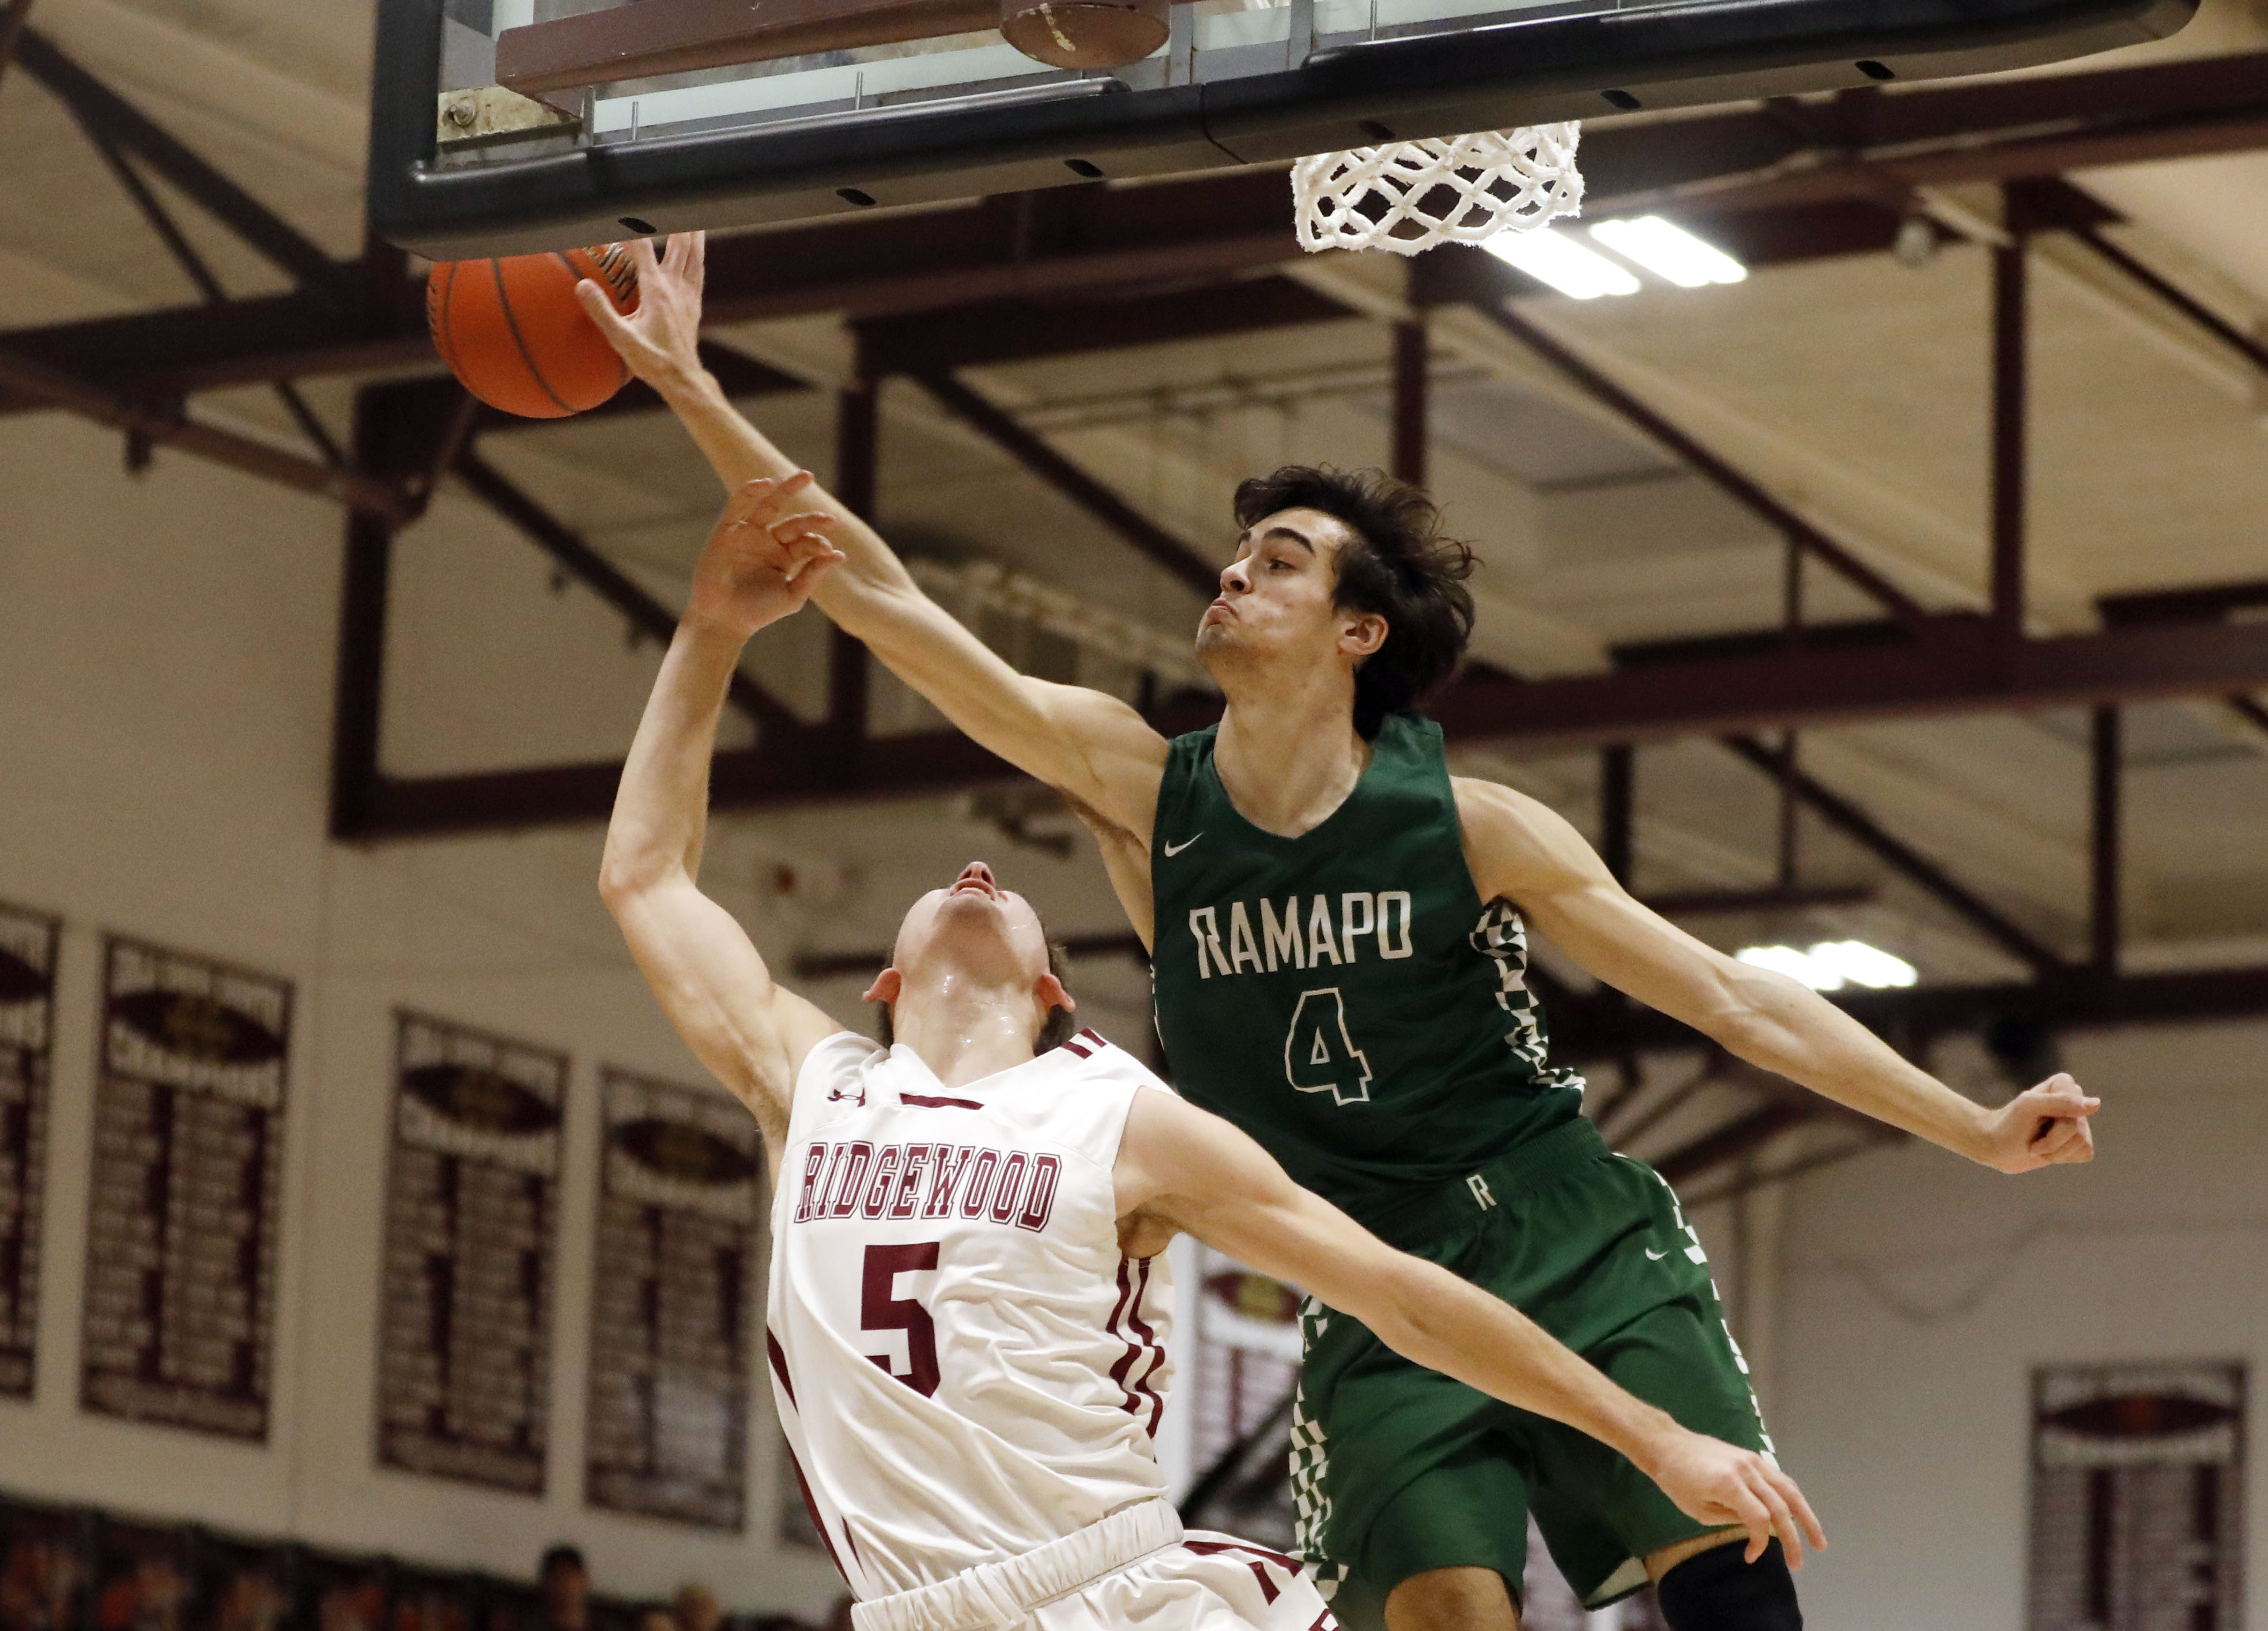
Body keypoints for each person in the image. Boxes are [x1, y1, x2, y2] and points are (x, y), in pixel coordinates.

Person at [578, 235, 2082, 1631]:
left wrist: (1970, 1124)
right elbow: (887, 599)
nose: (1235, 570)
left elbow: (1728, 1002)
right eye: (1242, 552)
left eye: (1282, 558)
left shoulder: (1472, 823)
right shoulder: (1136, 785)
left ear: (1361, 630)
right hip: (1366, 1257)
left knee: (1737, 1586)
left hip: (1567, 1226)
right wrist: (697, 391)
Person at [595, 475, 1822, 1631]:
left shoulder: (1118, 1114)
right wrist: (710, 625)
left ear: (1052, 992)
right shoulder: (817, 1085)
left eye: (1009, 887)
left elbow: (1398, 1289)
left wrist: (1652, 1436)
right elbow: (645, 875)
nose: (978, 870)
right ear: (883, 980)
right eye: (955, 883)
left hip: (1127, 1589)